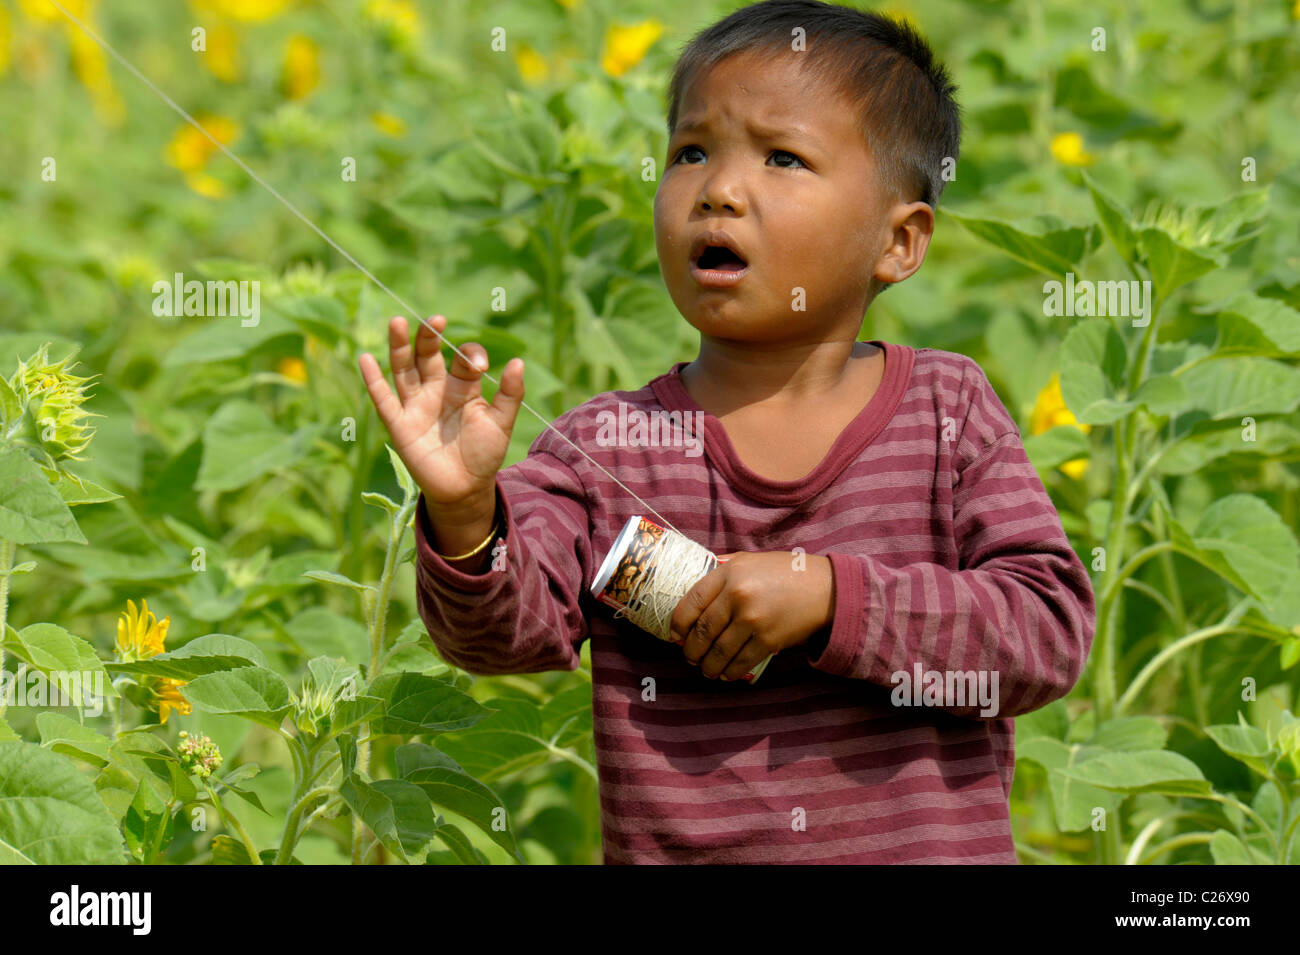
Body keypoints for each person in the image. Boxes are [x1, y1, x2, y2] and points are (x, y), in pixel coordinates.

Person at [359, 0, 1096, 864]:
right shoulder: (610, 443)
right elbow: (499, 635)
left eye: (783, 157)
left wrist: (831, 599)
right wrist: (463, 513)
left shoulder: (947, 410)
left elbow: (1045, 632)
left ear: (898, 241)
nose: (719, 188)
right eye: (691, 152)